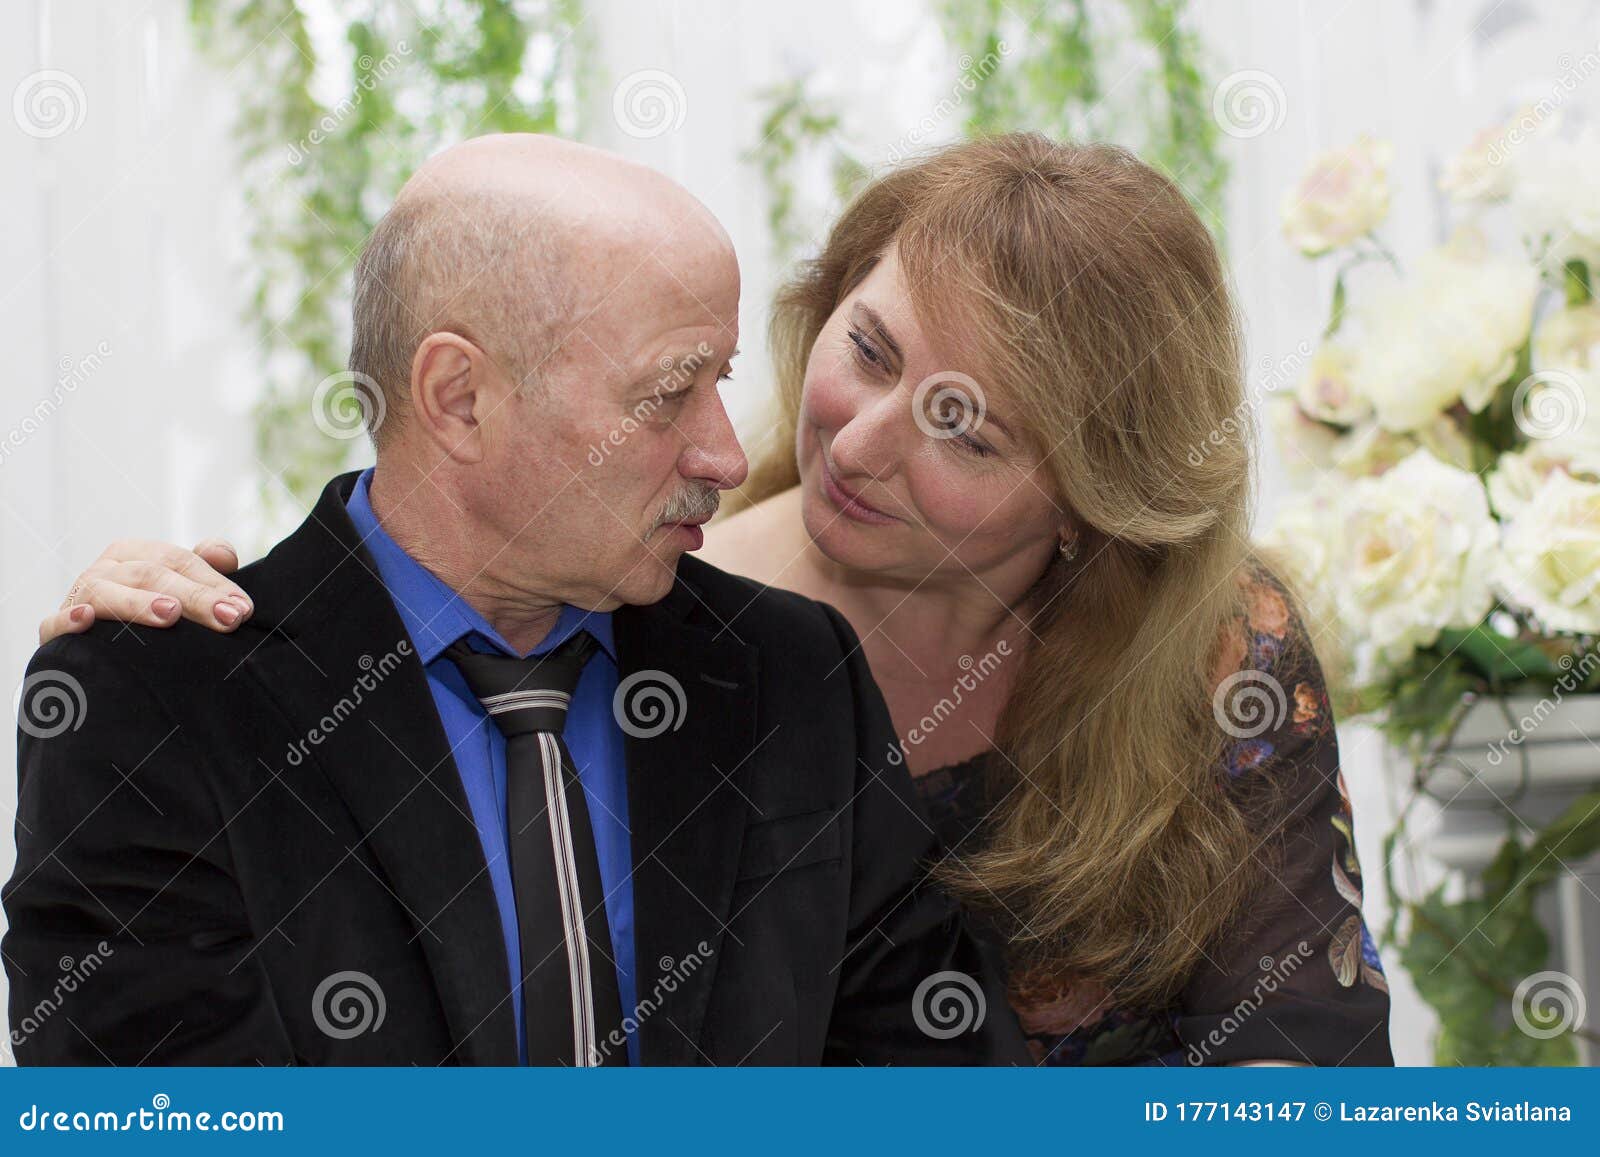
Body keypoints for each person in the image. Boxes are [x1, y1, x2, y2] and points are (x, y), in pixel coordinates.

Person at [31, 133, 1394, 1065]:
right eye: (865, 349)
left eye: (969, 432)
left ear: (1091, 496)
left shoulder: (783, 673)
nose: (821, 447)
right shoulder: (179, 684)